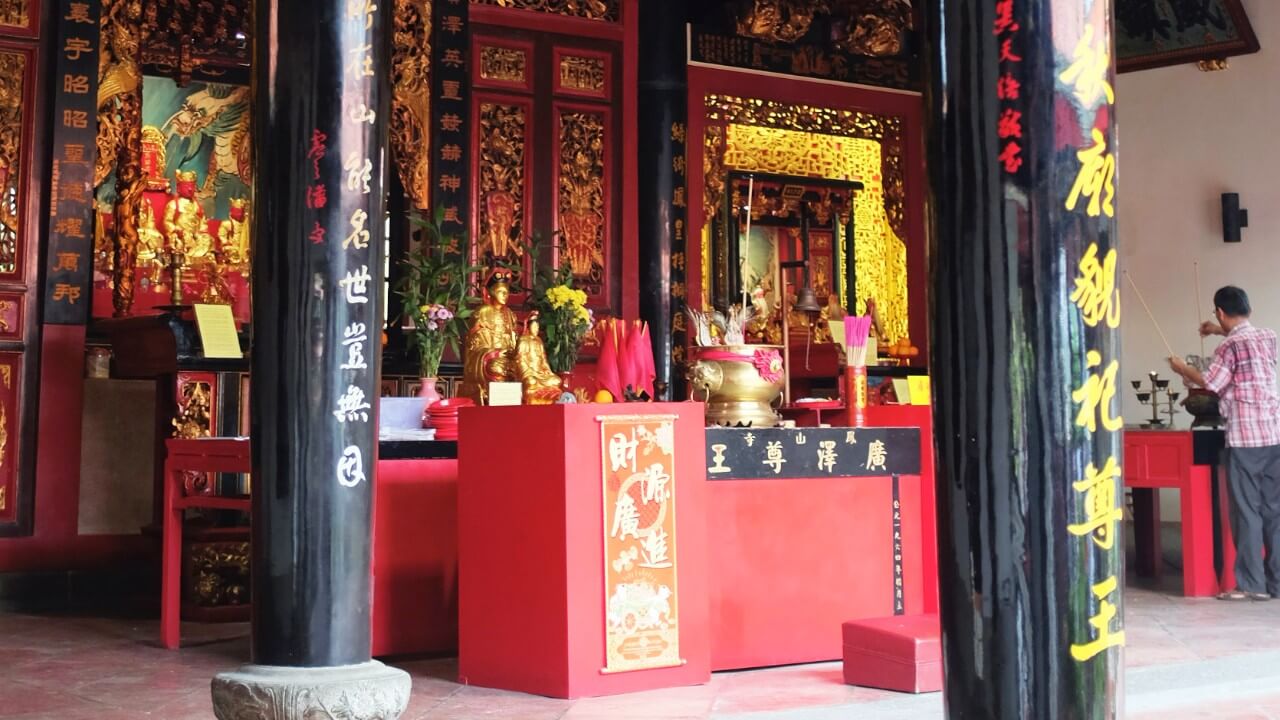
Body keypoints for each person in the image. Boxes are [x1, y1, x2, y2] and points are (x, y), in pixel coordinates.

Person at [1169, 285, 1280, 601]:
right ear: (1249, 310)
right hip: (1274, 434)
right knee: (1274, 510)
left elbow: (1210, 384)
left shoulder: (1227, 350)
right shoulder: (1268, 337)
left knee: (1246, 512)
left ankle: (1251, 585)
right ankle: (1277, 583)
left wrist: (1181, 368)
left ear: (1219, 311)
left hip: (1245, 437)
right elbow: (1244, 341)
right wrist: (1219, 331)